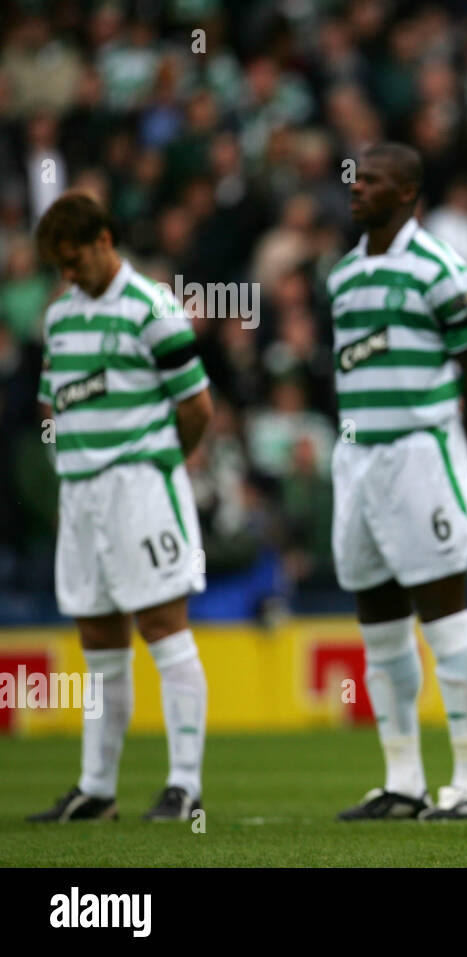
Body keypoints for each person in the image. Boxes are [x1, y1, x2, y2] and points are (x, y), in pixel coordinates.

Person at [328, 143, 467, 821]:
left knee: (444, 612)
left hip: (421, 455)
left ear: (406, 194)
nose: (356, 187)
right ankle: (403, 780)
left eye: (371, 180)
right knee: (378, 621)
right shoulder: (342, 276)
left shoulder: (444, 272)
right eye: (355, 177)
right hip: (358, 460)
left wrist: (462, 458)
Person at [29, 191, 212, 823]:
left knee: (163, 626)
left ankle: (184, 784)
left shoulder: (153, 307)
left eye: (74, 259)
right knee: (98, 637)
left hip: (140, 486)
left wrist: (158, 461)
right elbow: (51, 401)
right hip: (81, 496)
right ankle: (96, 789)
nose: (68, 274)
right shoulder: (59, 318)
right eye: (59, 265)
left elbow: (198, 407)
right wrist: (67, 463)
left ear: (105, 240)